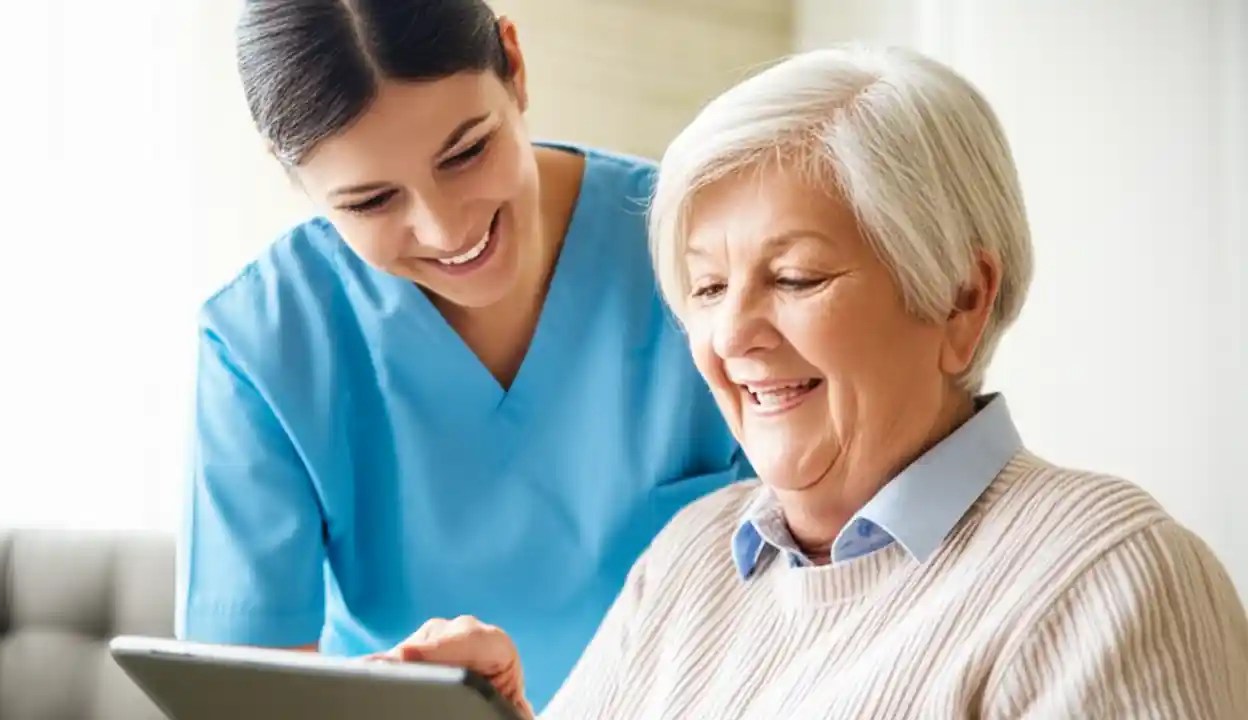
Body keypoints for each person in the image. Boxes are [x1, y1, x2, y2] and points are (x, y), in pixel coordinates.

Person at [375, 45, 1248, 718]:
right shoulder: (692, 555)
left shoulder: (1107, 574)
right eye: (708, 288)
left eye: (796, 279)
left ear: (960, 300)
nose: (733, 336)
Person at [175, 0, 749, 708]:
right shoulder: (261, 345)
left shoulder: (709, 250)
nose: (446, 229)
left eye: (467, 151)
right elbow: (252, 698)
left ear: (514, 66)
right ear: (292, 172)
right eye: (372, 201)